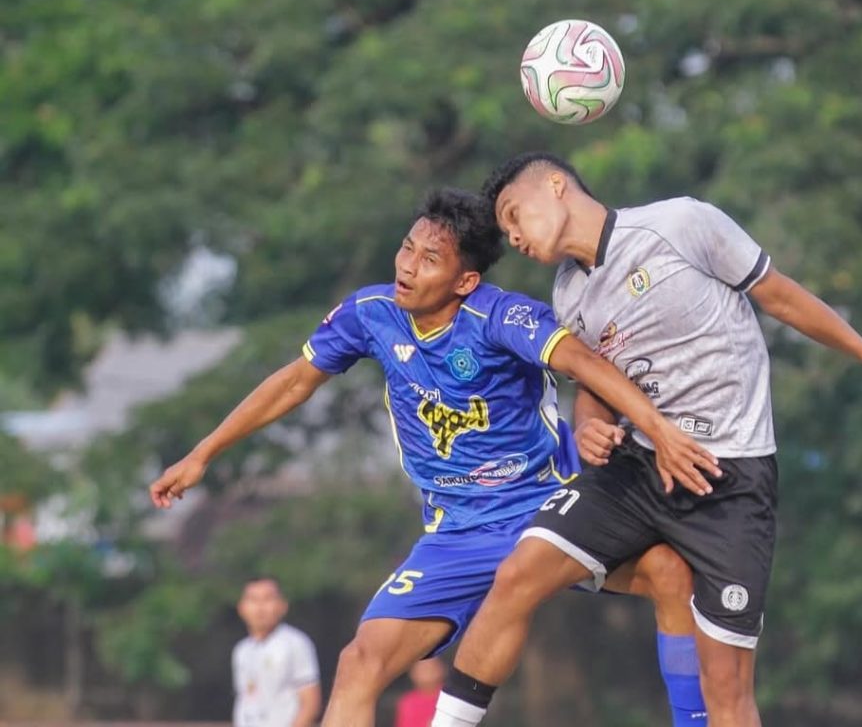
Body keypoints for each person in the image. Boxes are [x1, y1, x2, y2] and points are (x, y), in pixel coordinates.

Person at [149, 187, 717, 727]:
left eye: (430, 258)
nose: (408, 265)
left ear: (466, 279)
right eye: (407, 248)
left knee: (670, 573)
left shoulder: (500, 318)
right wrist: (203, 453)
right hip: (455, 534)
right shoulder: (370, 313)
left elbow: (586, 363)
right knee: (358, 663)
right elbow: (296, 382)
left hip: (546, 508)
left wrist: (654, 431)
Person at [430, 153, 862, 727]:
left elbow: (779, 295)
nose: (514, 236)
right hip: (636, 469)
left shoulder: (680, 224)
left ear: (555, 186)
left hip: (729, 481)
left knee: (726, 692)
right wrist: (593, 422)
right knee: (519, 573)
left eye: (514, 215)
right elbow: (597, 380)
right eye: (506, 231)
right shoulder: (569, 293)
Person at [231, 576, 321, 727]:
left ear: (282, 606)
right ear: (241, 608)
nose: (260, 607)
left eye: (267, 599)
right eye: (253, 600)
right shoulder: (241, 650)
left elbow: (310, 702)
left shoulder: (295, 643)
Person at [394, 658, 446, 727]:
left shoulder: (449, 696)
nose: (428, 672)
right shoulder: (408, 701)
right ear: (413, 674)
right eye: (423, 669)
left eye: (430, 668)